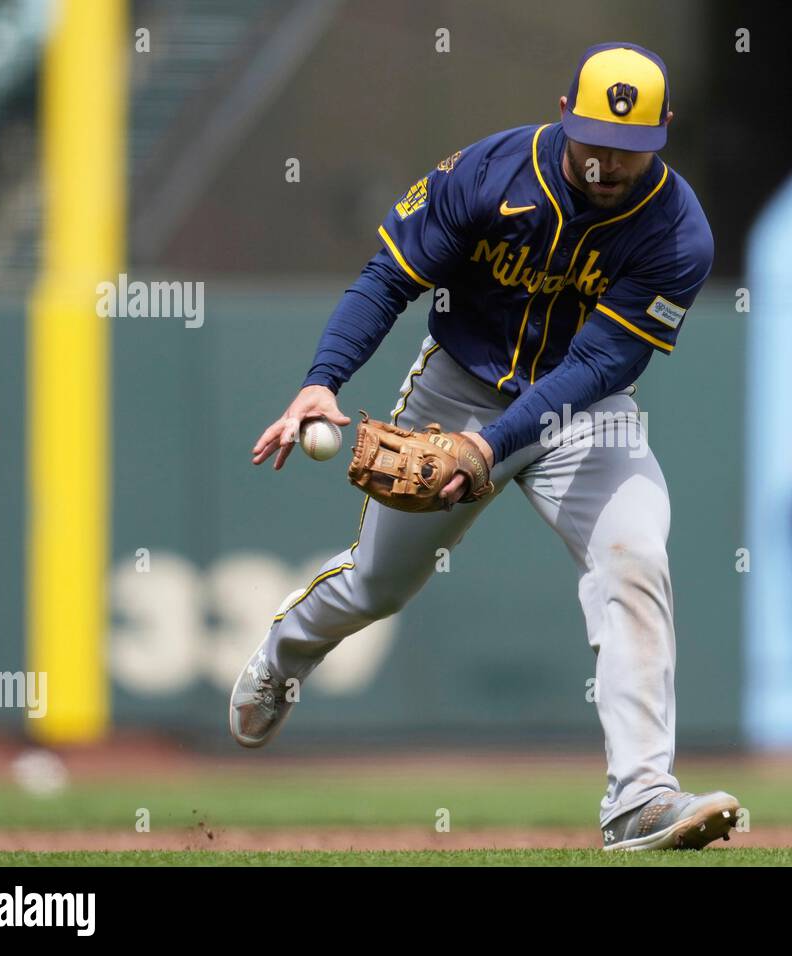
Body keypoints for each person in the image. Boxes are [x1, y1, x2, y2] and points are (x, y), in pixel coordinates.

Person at [232, 41, 739, 851]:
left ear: (663, 136)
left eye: (630, 150)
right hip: (457, 386)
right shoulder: (488, 173)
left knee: (636, 556)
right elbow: (387, 279)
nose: (607, 165)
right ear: (564, 114)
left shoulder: (678, 236)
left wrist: (490, 449)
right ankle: (283, 654)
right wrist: (322, 379)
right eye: (593, 142)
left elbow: (595, 365)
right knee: (377, 586)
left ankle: (641, 796)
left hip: (587, 411)